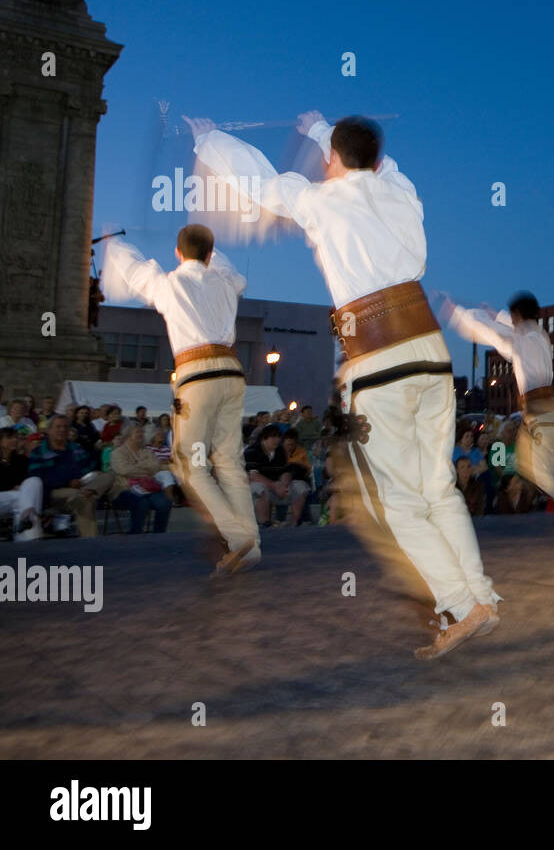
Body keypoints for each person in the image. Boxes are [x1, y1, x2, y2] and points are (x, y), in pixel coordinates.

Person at [190, 110, 498, 658]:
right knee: (439, 489)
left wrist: (209, 137)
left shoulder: (318, 200)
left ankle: (457, 602)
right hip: (430, 356)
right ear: (377, 159)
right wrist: (322, 132)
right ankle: (482, 598)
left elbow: (258, 182)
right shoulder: (401, 189)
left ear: (332, 159)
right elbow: (378, 165)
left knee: (400, 503)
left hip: (378, 361)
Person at [102, 226, 262, 574]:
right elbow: (232, 273)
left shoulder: (170, 285)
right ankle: (250, 544)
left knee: (189, 464)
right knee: (230, 462)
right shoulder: (224, 281)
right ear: (210, 254)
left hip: (197, 376)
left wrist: (116, 246)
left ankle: (237, 538)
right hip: (232, 375)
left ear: (178, 254)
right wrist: (210, 250)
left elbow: (136, 271)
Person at [445, 291, 554, 543]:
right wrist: (498, 317)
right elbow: (507, 336)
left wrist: (461, 316)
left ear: (517, 315)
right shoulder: (539, 336)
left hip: (538, 413)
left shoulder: (523, 338)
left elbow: (494, 335)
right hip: (551, 411)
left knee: (536, 472)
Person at [27, 415, 122, 538]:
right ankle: (92, 543)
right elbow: (37, 478)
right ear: (49, 430)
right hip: (55, 492)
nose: (62, 430)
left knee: (110, 475)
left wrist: (87, 479)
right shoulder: (39, 452)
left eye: (65, 427)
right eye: (58, 427)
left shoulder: (77, 448)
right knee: (86, 501)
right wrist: (68, 482)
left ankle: (86, 493)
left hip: (82, 487)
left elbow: (90, 467)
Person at [109, 422, 174, 534]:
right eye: (138, 432)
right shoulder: (117, 453)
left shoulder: (147, 451)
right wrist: (146, 468)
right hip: (125, 488)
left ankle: (159, 534)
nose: (141, 434)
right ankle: (136, 534)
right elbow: (124, 470)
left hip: (148, 487)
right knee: (141, 503)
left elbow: (156, 466)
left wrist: (136, 467)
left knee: (165, 502)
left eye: (142, 432)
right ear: (128, 435)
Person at [245, 425, 309, 527]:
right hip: (256, 487)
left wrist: (284, 485)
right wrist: (275, 486)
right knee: (259, 488)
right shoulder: (251, 451)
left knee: (301, 486)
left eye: (278, 437)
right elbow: (253, 476)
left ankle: (294, 523)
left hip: (277, 486)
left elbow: (286, 471)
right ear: (264, 438)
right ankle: (265, 524)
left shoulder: (280, 451)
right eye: (273, 437)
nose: (277, 440)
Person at [0, 427, 43, 541]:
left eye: (15, 437)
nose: (14, 440)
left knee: (34, 480)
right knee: (25, 497)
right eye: (9, 438)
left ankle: (26, 535)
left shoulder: (22, 460)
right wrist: (17, 488)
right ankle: (28, 517)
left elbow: (26, 482)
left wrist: (22, 488)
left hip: (16, 498)